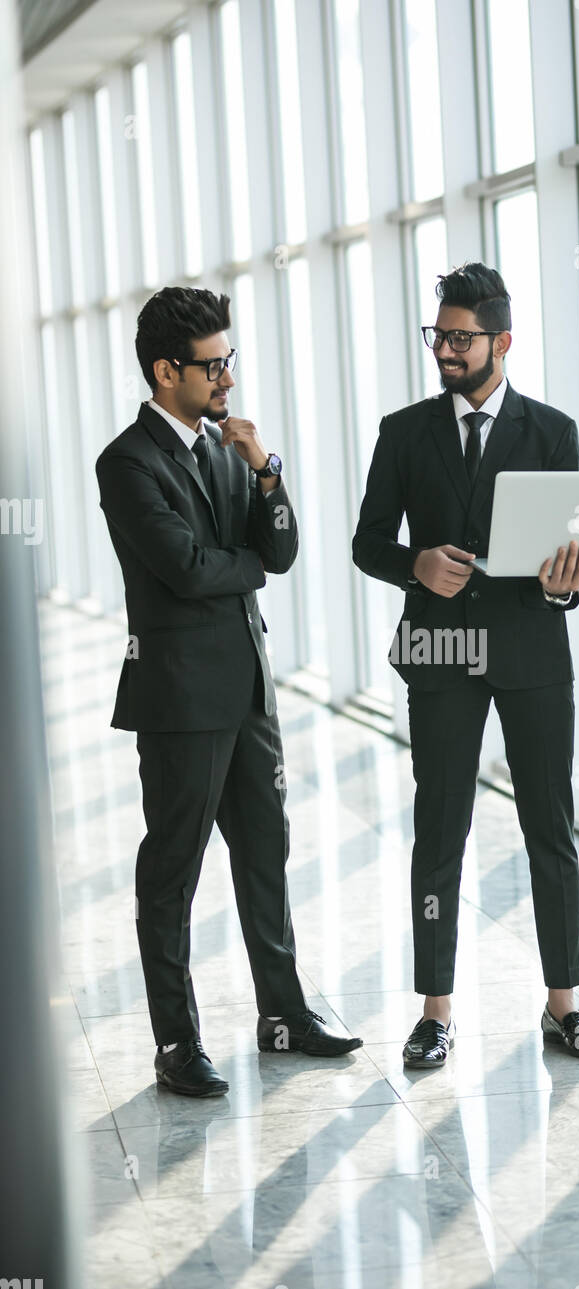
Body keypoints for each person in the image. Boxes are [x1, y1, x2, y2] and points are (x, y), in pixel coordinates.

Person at [96, 286, 361, 1097]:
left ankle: (282, 1015)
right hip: (178, 701)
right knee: (172, 871)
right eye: (213, 368)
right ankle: (177, 1042)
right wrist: (242, 569)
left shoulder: (225, 448)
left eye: (229, 362)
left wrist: (266, 473)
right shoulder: (127, 462)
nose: (228, 382)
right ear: (164, 370)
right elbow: (185, 569)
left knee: (266, 856)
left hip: (247, 690)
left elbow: (276, 554)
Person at [352, 262, 579, 1068]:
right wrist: (414, 566)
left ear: (502, 341)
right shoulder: (404, 431)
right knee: (440, 831)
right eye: (438, 335)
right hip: (439, 651)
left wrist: (567, 586)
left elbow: (567, 553)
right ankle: (436, 1011)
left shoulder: (553, 430)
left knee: (550, 829)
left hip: (531, 647)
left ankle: (564, 1005)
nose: (445, 350)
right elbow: (368, 542)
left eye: (460, 337)